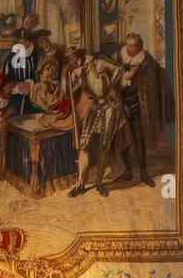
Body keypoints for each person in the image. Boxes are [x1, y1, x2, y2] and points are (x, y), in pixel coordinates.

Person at [65, 48, 131, 197]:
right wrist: (65, 76)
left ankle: (99, 182)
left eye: (72, 58)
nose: (72, 62)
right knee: (84, 144)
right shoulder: (77, 73)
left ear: (79, 56)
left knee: (104, 145)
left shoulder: (99, 62)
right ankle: (81, 183)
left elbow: (119, 68)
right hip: (94, 107)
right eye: (69, 60)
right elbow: (67, 92)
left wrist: (109, 89)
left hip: (110, 107)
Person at [117, 32, 175, 183]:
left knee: (139, 138)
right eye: (128, 45)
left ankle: (143, 172)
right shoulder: (118, 57)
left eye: (134, 45)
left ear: (140, 45)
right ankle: (128, 170)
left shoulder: (146, 60)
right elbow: (112, 78)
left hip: (138, 105)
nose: (130, 48)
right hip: (120, 104)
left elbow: (158, 74)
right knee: (122, 138)